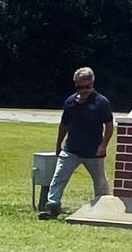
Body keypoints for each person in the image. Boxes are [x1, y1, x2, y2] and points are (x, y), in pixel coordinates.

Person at [38, 67, 114, 220]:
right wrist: (58, 145)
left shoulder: (101, 102)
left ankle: (104, 207)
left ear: (92, 84)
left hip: (93, 152)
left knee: (100, 182)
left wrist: (103, 145)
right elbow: (64, 125)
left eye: (87, 87)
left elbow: (109, 125)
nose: (84, 90)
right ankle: (52, 205)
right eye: (80, 87)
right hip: (71, 149)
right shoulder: (71, 101)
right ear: (75, 85)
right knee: (58, 177)